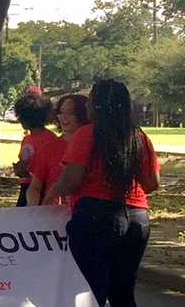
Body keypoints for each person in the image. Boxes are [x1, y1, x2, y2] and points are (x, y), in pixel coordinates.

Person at [45, 80, 160, 307]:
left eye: (90, 103)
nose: (86, 108)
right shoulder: (139, 137)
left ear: (96, 106)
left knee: (90, 291)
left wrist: (51, 196)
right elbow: (151, 184)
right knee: (123, 292)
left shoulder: (87, 134)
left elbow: (72, 180)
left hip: (95, 216)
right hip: (138, 218)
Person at [27, 93, 88, 206]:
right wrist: (34, 208)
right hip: (53, 215)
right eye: (61, 112)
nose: (64, 117)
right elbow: (35, 187)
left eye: (70, 113)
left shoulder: (94, 146)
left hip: (83, 213)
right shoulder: (49, 147)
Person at [12, 92, 56, 206]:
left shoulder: (50, 139)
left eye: (21, 117)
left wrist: (30, 174)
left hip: (41, 188)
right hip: (25, 185)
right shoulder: (26, 139)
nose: (20, 120)